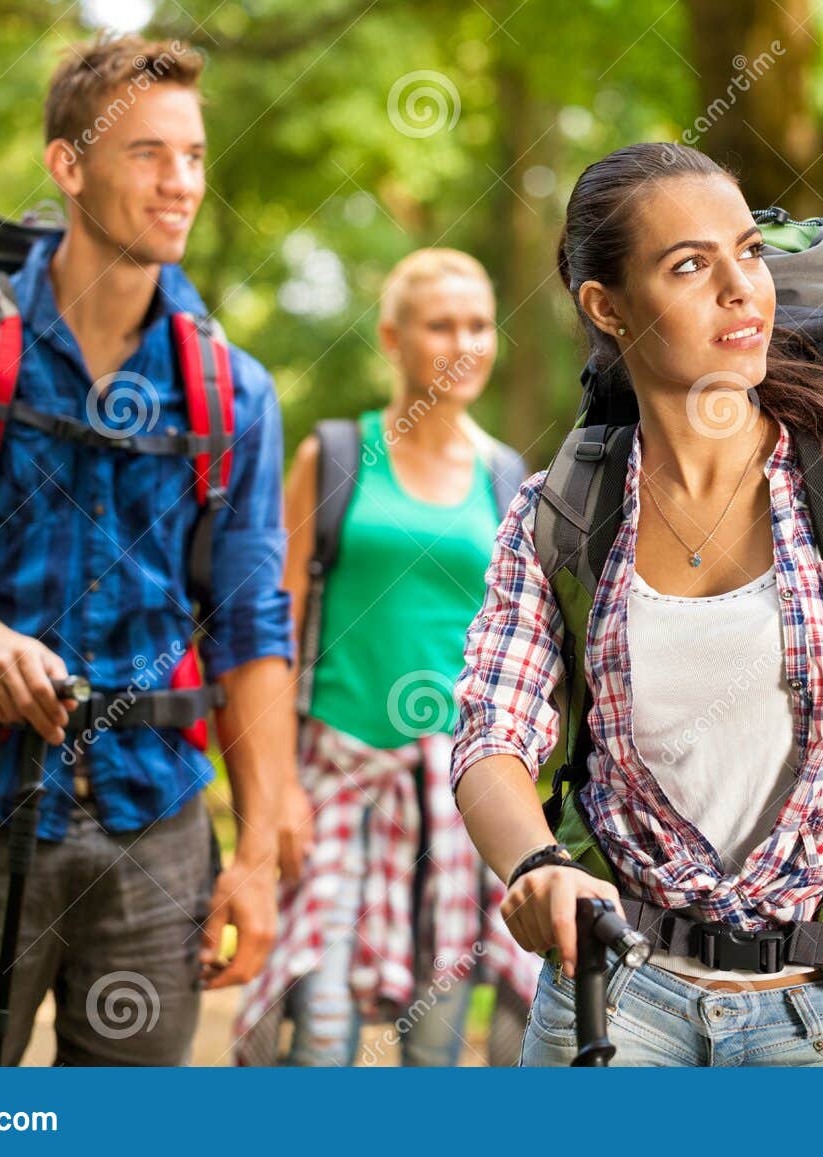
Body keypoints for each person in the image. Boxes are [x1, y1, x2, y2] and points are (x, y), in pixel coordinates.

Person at [450, 142, 823, 1067]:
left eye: (749, 252)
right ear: (607, 305)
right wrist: (537, 864)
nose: (741, 288)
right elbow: (491, 734)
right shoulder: (563, 512)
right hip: (615, 1005)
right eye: (689, 265)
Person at [0, 35, 303, 1066]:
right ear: (68, 164)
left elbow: (251, 630)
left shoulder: (233, 391)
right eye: (146, 153)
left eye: (191, 154)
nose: (179, 181)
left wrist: (261, 856)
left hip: (159, 834)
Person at [231, 249, 540, 1067]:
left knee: (433, 1041)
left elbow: (522, 653)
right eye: (441, 325)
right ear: (394, 337)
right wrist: (276, 791)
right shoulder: (333, 455)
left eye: (479, 324)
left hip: (454, 798)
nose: (465, 342)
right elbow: (274, 622)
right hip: (335, 773)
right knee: (324, 1024)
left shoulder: (507, 478)